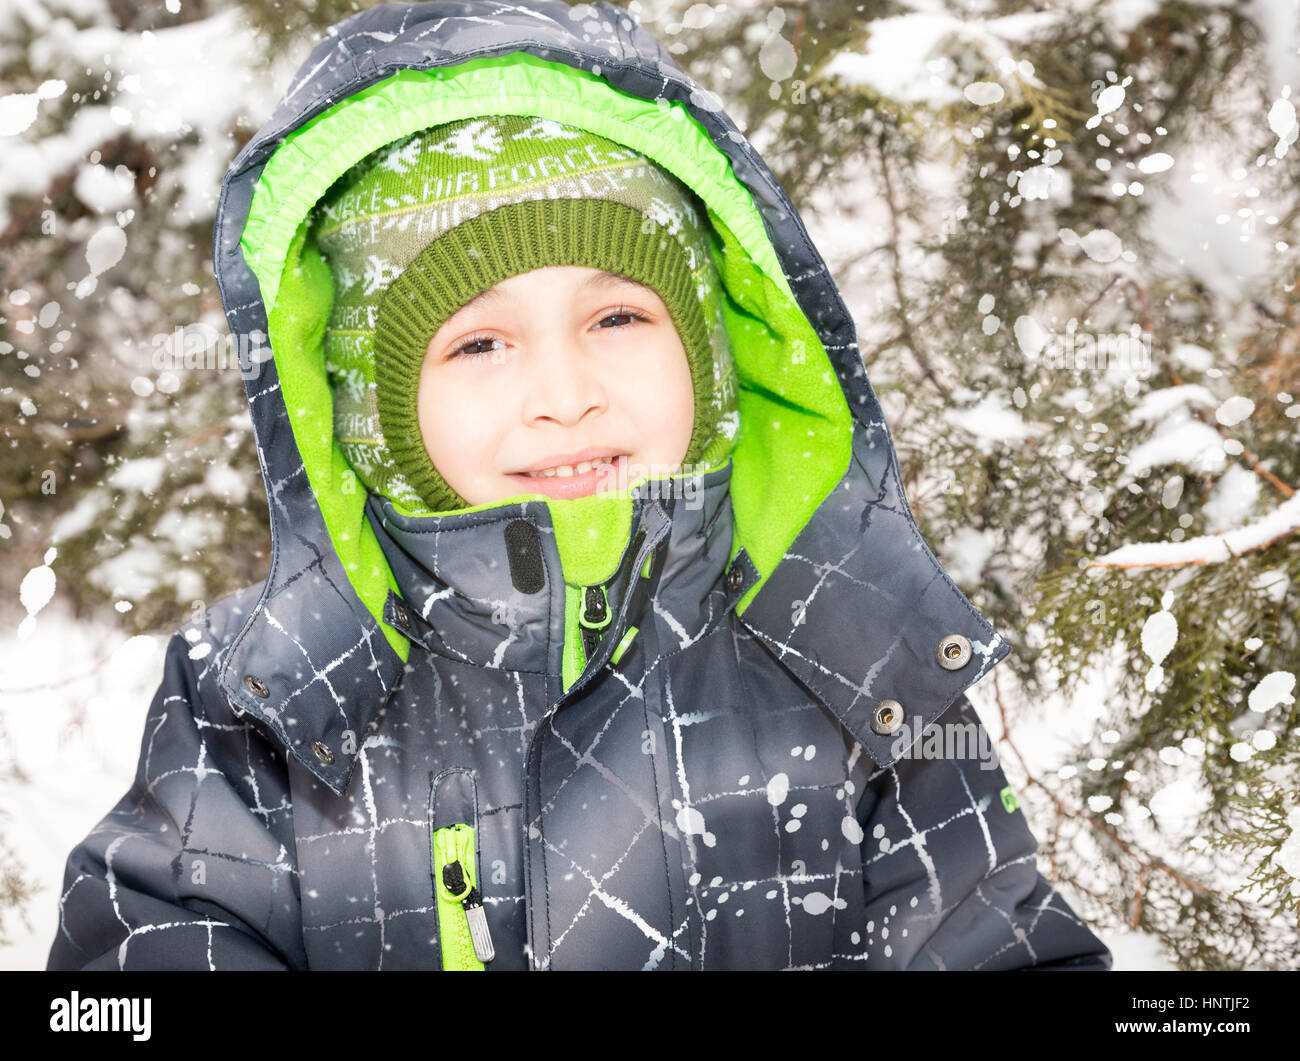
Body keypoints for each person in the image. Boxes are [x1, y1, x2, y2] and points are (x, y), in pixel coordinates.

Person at [47, 0, 1112, 970]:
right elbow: (144, 952)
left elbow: (993, 943)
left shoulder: (844, 655)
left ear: (709, 343)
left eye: (617, 317)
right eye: (477, 344)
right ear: (367, 404)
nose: (564, 393)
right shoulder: (270, 694)